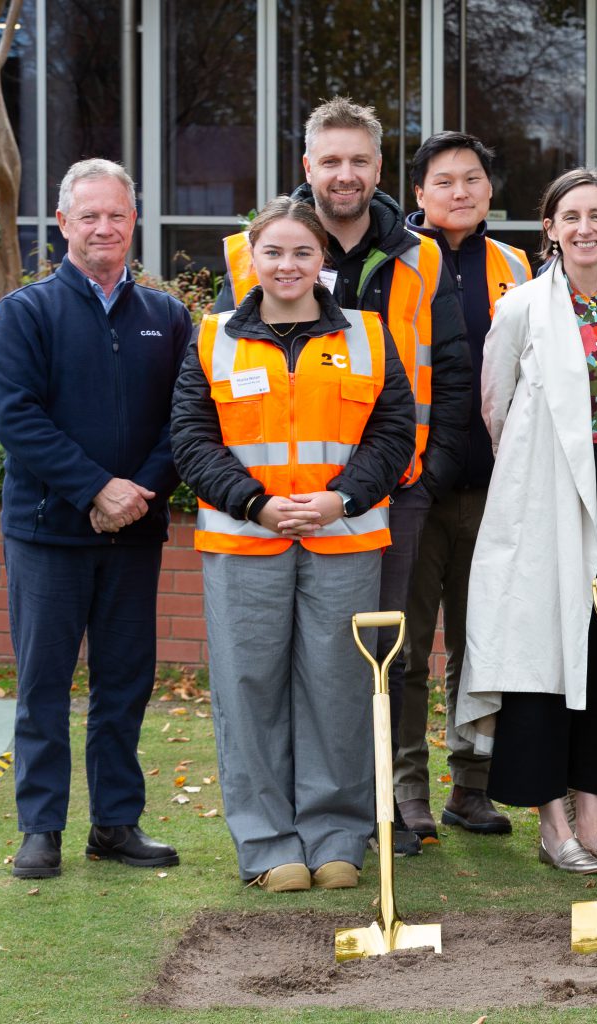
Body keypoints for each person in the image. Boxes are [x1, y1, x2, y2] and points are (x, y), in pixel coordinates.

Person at [216, 97, 471, 857]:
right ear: (307, 168)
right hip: (281, 506)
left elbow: (451, 375)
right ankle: (298, 822)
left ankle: (383, 808)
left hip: (394, 492)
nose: (345, 173)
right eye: (330, 160)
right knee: (287, 667)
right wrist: (259, 497)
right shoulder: (255, 250)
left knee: (381, 656)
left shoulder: (421, 257)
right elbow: (230, 371)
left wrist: (424, 473)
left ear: (380, 168)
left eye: (358, 160)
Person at [171, 197, 414, 891]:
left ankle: (337, 834)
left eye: (302, 252)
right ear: (250, 258)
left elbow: (393, 434)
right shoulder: (212, 337)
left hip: (344, 540)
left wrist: (342, 497)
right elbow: (190, 440)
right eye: (272, 252)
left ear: (322, 261)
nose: (287, 265)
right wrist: (257, 503)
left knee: (339, 689)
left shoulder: (368, 336)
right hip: (245, 542)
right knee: (249, 692)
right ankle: (269, 843)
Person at [451, 170, 597, 874]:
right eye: (569, 216)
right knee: (544, 659)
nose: (586, 228)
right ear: (547, 228)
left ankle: (595, 816)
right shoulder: (520, 307)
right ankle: (554, 825)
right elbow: (498, 408)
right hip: (544, 502)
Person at [0, 159, 190, 881]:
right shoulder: (26, 312)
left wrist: (137, 492)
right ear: (64, 224)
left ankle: (115, 824)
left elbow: (185, 421)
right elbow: (17, 419)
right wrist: (96, 488)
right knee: (44, 684)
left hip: (134, 532)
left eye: (118, 215)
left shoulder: (166, 318)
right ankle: (41, 826)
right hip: (47, 534)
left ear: (134, 222)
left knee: (124, 682)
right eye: (90, 216)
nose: (105, 228)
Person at [399, 130, 532, 841]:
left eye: (472, 178)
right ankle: (407, 789)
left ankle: (471, 785)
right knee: (412, 650)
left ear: (489, 190)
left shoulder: (515, 264)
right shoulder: (400, 262)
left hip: (494, 488)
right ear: (419, 195)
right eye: (444, 181)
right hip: (414, 487)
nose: (460, 191)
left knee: (482, 645)